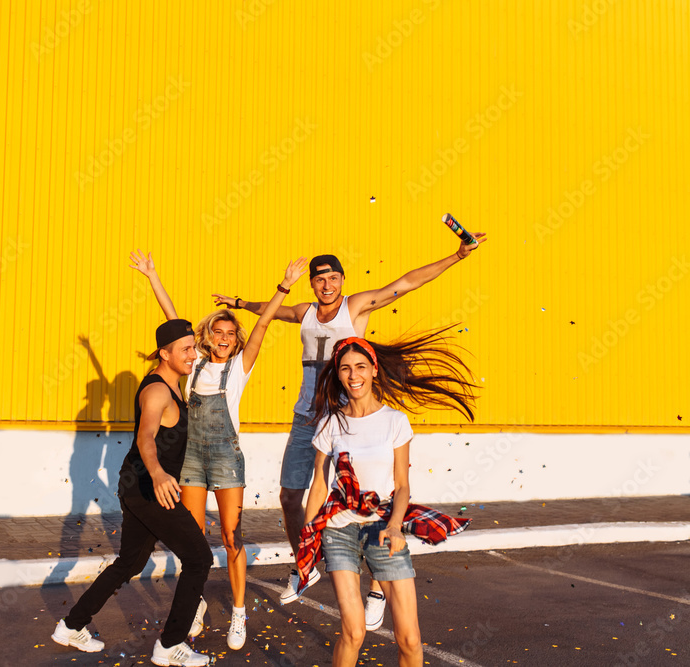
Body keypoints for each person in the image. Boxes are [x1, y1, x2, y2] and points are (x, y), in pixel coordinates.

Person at [214, 231, 486, 624]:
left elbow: (406, 283)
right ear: (312, 283)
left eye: (333, 278)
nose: (327, 285)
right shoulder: (305, 312)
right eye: (320, 279)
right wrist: (238, 302)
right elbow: (268, 311)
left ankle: (377, 589)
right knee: (291, 495)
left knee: (368, 503)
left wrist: (456, 257)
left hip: (347, 417)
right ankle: (304, 565)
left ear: (343, 280)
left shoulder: (355, 308)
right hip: (308, 416)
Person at [130, 249, 308, 650]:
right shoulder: (191, 365)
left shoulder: (241, 367)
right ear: (206, 337)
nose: (224, 339)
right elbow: (172, 318)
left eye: (231, 334)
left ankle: (240, 613)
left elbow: (263, 324)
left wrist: (284, 286)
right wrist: (153, 276)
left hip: (226, 458)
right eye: (217, 333)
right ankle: (194, 606)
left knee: (231, 537)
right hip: (192, 458)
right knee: (193, 537)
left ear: (236, 340)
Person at [298, 334, 476, 666]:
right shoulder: (330, 423)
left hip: (383, 527)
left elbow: (402, 486)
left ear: (374, 370)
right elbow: (319, 487)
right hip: (339, 531)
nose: (354, 376)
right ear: (337, 374)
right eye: (346, 369)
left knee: (409, 638)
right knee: (353, 633)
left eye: (361, 367)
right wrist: (307, 541)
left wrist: (395, 527)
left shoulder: (395, 421)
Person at [52, 320, 213, 667]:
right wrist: (156, 473)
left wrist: (154, 278)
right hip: (148, 487)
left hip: (136, 485)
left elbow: (175, 322)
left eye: (193, 347)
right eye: (185, 349)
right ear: (164, 354)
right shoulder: (157, 392)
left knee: (131, 562)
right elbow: (145, 436)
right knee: (199, 559)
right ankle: (170, 646)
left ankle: (71, 625)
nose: (193, 354)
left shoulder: (174, 381)